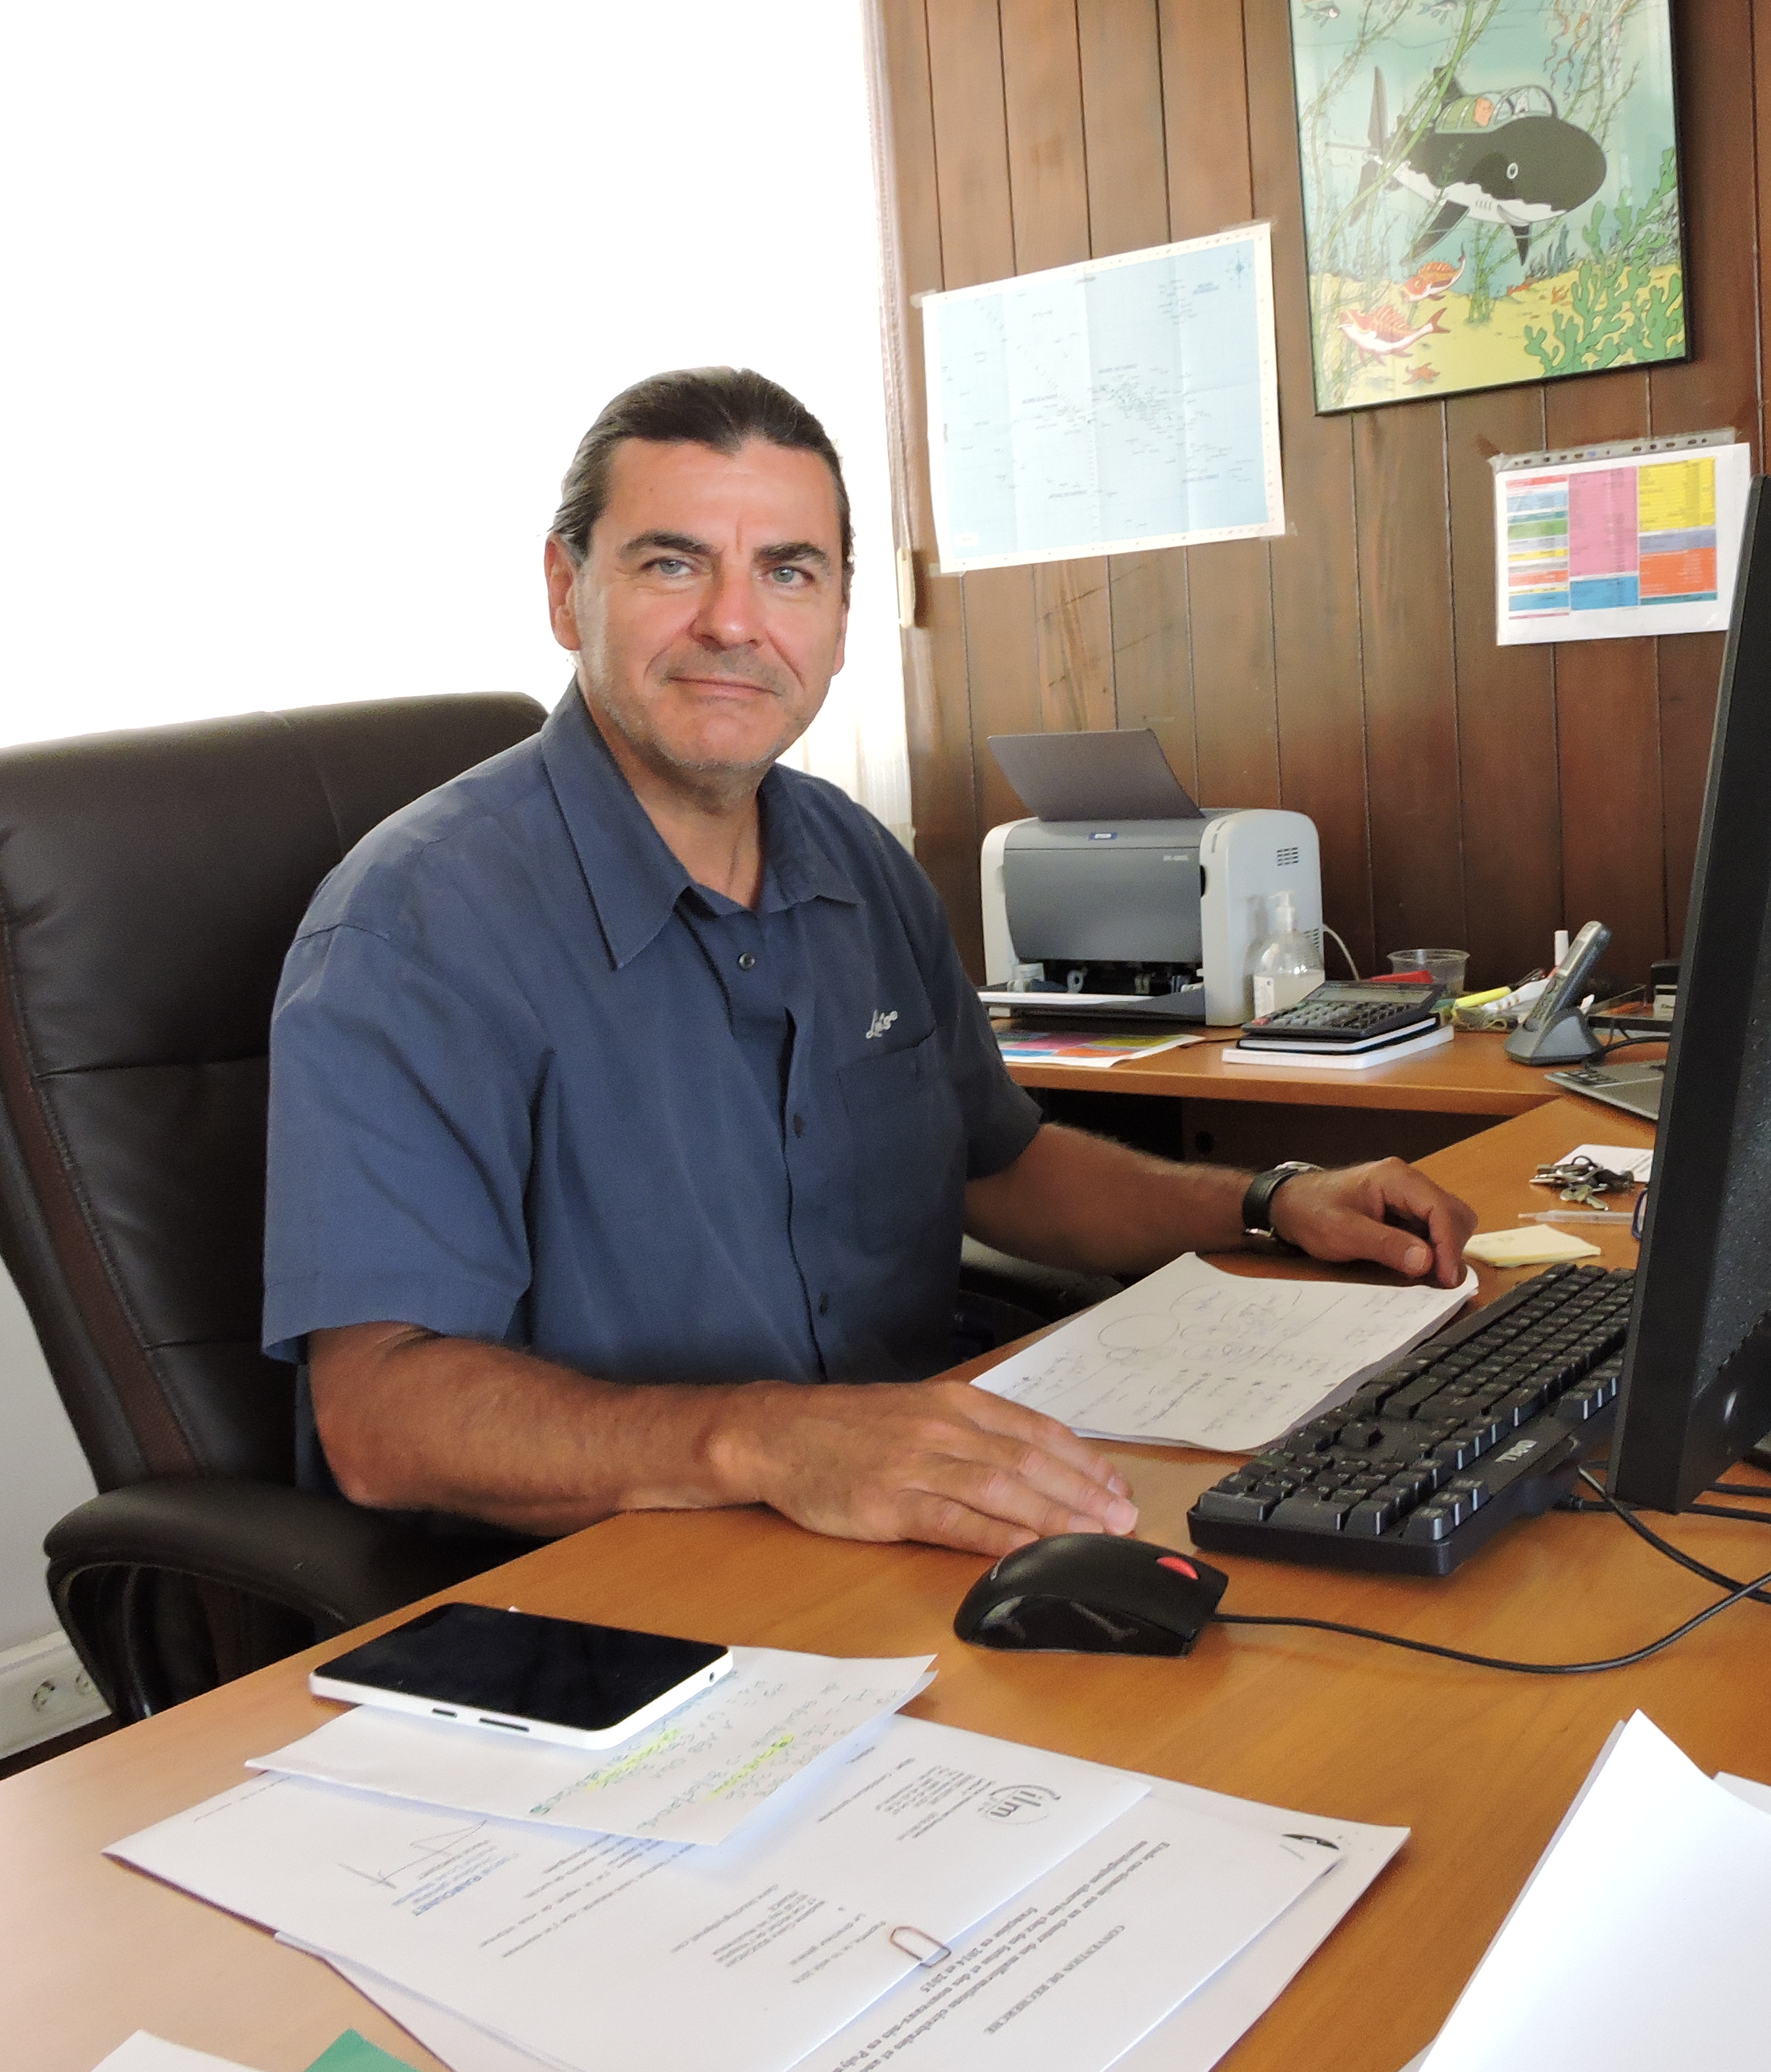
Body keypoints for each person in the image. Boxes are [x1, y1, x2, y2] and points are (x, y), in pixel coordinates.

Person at [261, 367, 1478, 1557]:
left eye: (787, 571)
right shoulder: (415, 928)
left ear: (841, 614)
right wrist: (773, 1443)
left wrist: (1268, 1200)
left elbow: (997, 1166)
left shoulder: (847, 853)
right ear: (565, 590)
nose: (733, 621)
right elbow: (380, 1418)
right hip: (608, 1587)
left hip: (908, 1516)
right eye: (671, 562)